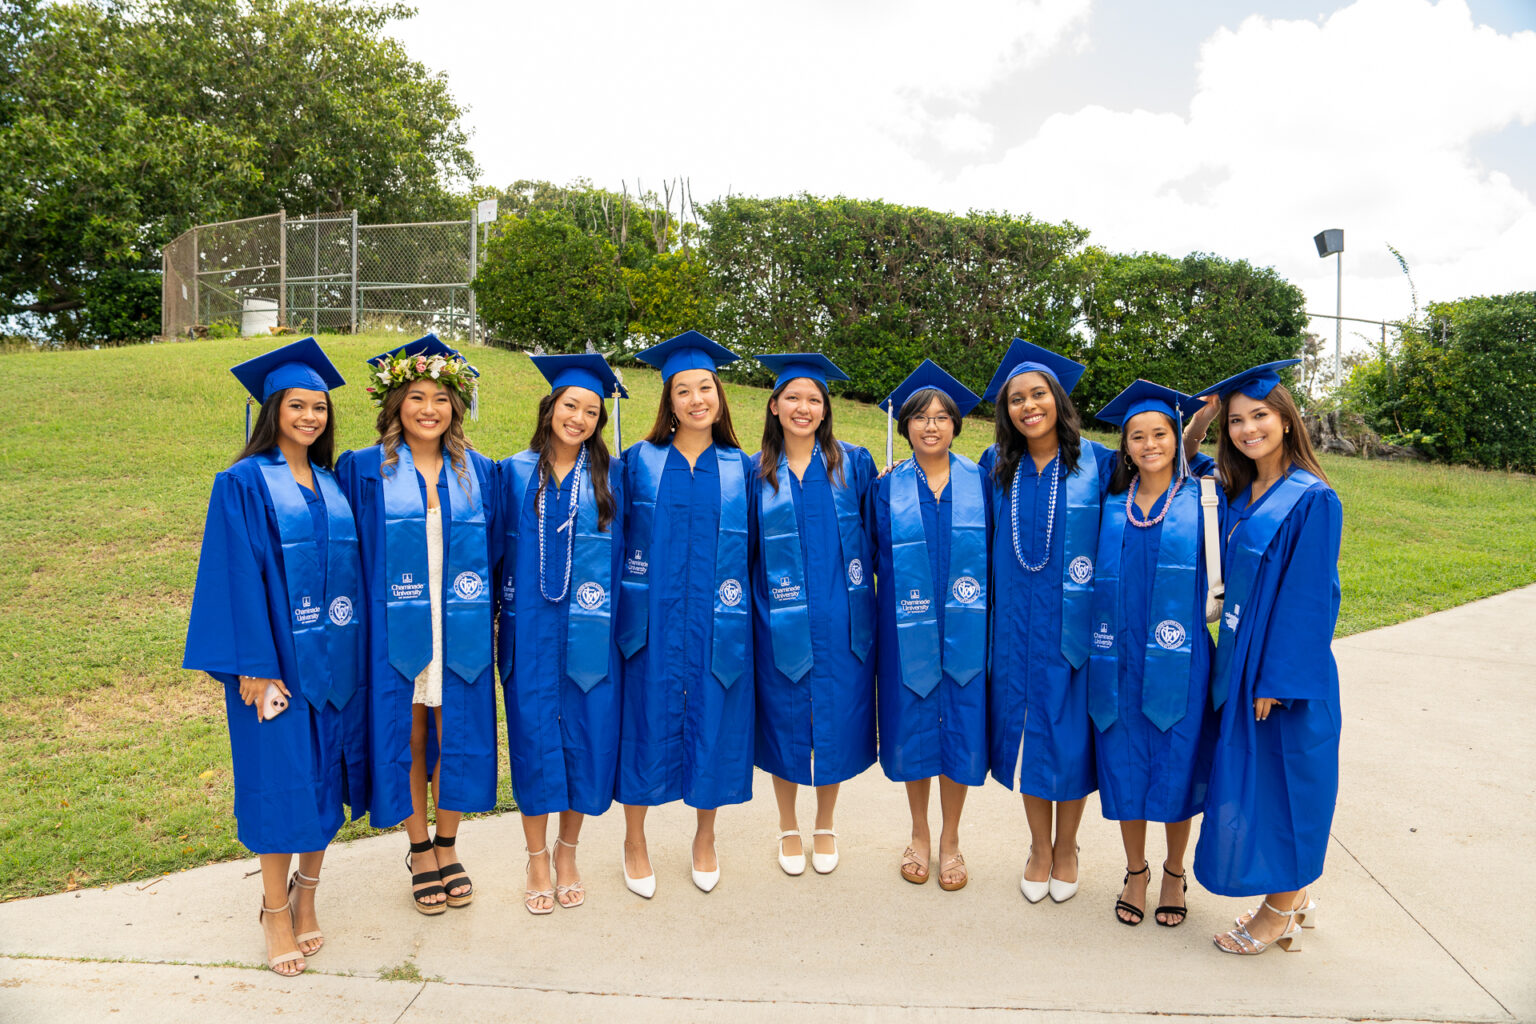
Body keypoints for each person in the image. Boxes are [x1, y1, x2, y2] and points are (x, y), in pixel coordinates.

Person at [184, 338, 367, 975]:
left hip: (337, 664)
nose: (311, 417)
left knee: (328, 781)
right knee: (278, 783)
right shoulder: (240, 484)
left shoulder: (334, 483)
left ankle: (308, 899)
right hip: (276, 666)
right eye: (298, 406)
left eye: (319, 407)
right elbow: (233, 578)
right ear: (273, 410)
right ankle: (273, 908)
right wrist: (255, 669)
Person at [338, 334, 500, 916]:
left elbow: (499, 551)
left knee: (451, 732)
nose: (428, 408)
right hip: (394, 627)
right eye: (415, 396)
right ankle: (418, 847)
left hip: (459, 622)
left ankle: (450, 843)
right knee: (408, 735)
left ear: (456, 406)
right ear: (394, 406)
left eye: (440, 397)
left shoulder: (480, 472)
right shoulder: (362, 470)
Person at [1185, 359, 1342, 955]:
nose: (1249, 429)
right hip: (1239, 661)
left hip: (1280, 678)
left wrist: (1274, 681)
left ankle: (1279, 910)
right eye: (1239, 420)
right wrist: (1201, 420)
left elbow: (1311, 600)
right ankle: (1293, 897)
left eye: (1261, 416)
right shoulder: (1235, 491)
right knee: (1253, 784)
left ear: (1285, 420)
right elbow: (1173, 469)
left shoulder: (1312, 499)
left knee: (1285, 788)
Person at [615, 330, 755, 896]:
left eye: (705, 388)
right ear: (668, 402)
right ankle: (634, 839)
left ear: (719, 396)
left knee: (714, 720)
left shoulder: (740, 467)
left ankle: (704, 836)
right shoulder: (637, 463)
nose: (696, 399)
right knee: (642, 719)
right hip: (650, 619)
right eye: (682, 390)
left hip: (716, 619)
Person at [977, 339, 1114, 904]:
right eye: (1016, 399)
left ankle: (1068, 846)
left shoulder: (1099, 462)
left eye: (1038, 395)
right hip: (1013, 626)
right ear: (1006, 411)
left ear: (1058, 399)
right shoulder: (995, 465)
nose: (1028, 406)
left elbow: (1167, 477)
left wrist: (1196, 432)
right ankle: (1038, 845)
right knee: (1031, 738)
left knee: (1070, 737)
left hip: (1073, 627)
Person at [498, 353, 627, 914]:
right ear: (550, 407)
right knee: (532, 742)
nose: (579, 417)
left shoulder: (612, 477)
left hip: (593, 634)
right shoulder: (509, 472)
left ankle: (568, 851)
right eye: (570, 405)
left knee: (586, 738)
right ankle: (535, 857)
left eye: (591, 411)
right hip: (528, 634)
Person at [1088, 380, 1219, 927]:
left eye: (1159, 434)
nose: (1148, 444)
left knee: (1174, 765)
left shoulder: (1207, 497)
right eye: (1136, 436)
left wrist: (1199, 430)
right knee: (1125, 766)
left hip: (1180, 660)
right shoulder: (1111, 503)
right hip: (1117, 661)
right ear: (1124, 446)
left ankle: (1173, 871)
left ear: (1176, 439)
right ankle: (1135, 870)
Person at [750, 353, 878, 877]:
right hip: (776, 618)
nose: (804, 408)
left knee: (836, 721)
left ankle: (825, 823)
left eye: (814, 400)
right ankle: (787, 823)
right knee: (784, 719)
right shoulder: (751, 470)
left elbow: (881, 532)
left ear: (825, 409)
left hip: (843, 621)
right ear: (775, 405)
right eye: (793, 398)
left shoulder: (855, 464)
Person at [873, 360, 991, 892]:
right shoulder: (885, 487)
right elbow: (871, 557)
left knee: (960, 726)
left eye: (942, 417)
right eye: (920, 417)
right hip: (908, 631)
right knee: (915, 726)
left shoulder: (981, 482)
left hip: (967, 629)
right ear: (907, 427)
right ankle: (919, 834)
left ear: (956, 425)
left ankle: (951, 840)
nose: (931, 426)